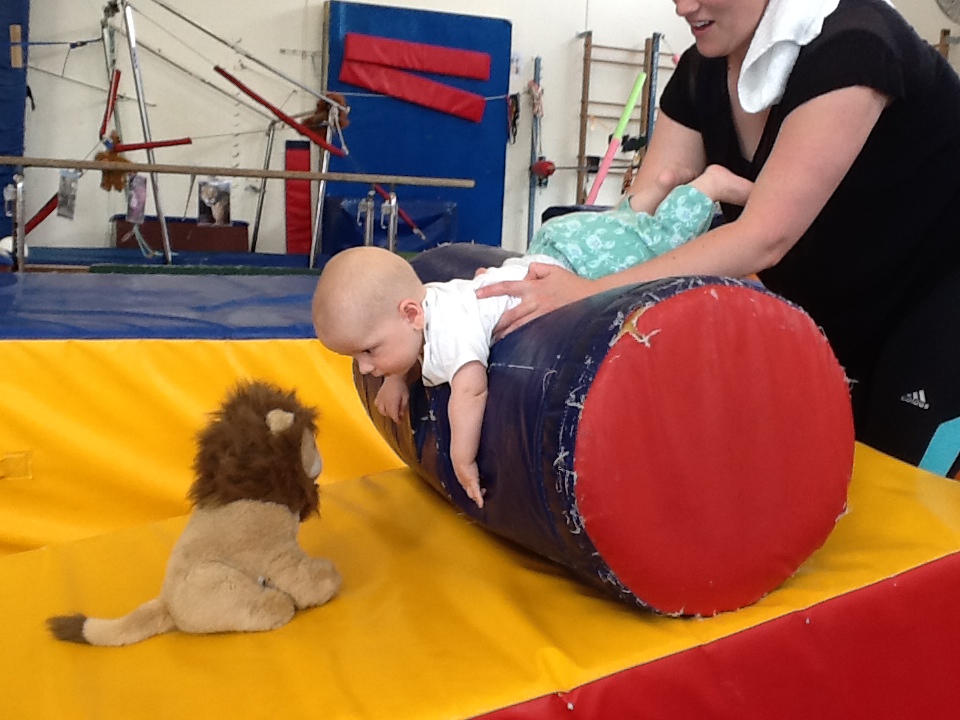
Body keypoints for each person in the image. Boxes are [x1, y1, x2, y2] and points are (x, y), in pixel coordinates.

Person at [477, 0, 960, 477]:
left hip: (932, 295)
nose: (683, 7)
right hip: (837, 297)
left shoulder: (856, 43)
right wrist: (551, 267)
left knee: (897, 485)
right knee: (817, 479)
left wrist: (585, 294)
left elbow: (763, 237)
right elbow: (647, 227)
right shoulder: (700, 71)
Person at [312, 165, 754, 508]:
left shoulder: (450, 334)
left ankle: (707, 187)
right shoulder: (422, 302)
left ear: (410, 314)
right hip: (552, 245)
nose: (365, 366)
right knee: (621, 229)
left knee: (658, 245)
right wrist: (393, 376)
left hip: (575, 269)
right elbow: (403, 338)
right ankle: (654, 189)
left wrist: (462, 460)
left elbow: (470, 388)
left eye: (368, 352)